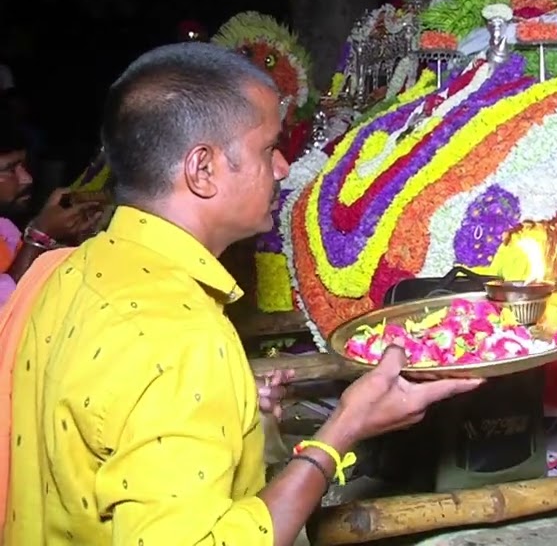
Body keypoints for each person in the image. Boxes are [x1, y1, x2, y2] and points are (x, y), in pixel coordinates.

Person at [4, 43, 482, 545]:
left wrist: (230, 414)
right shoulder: (178, 335)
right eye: (266, 148)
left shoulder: (67, 269)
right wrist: (342, 430)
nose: (280, 168)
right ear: (202, 169)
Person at [0, 118, 100, 304]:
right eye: (10, 170)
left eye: (24, 166)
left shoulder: (5, 227)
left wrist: (70, 236)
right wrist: (40, 236)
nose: (27, 179)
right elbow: (9, 305)